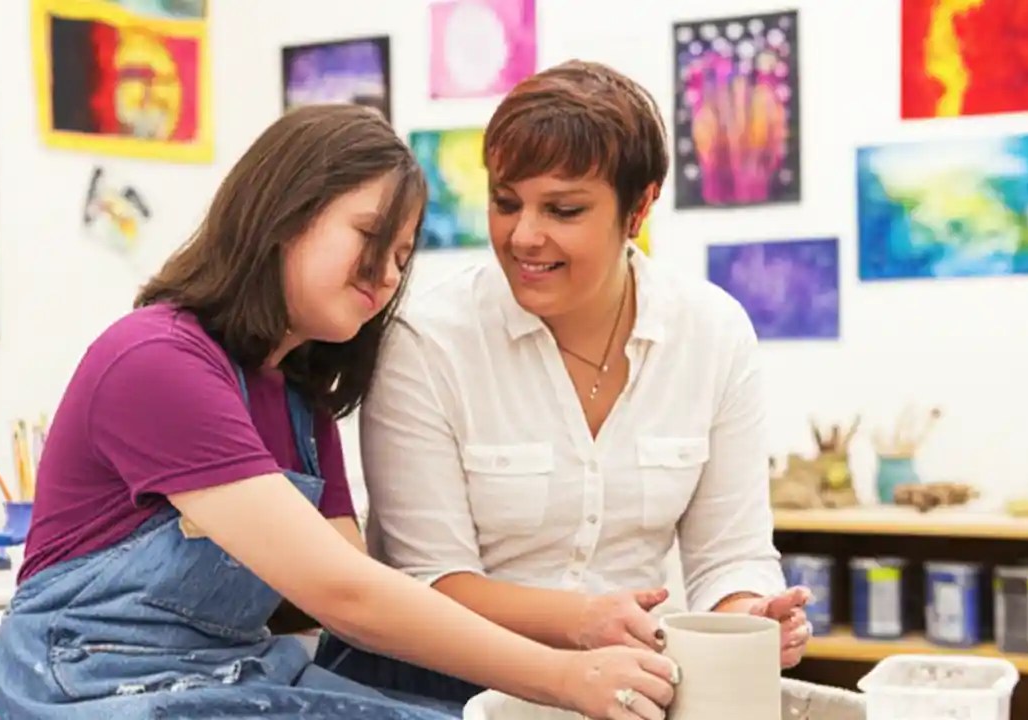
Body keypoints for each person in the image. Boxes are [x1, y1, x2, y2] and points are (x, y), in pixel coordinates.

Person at [0, 104, 680, 720]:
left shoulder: (297, 393)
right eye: (370, 238)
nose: (387, 274)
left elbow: (369, 597)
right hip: (89, 684)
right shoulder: (155, 360)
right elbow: (344, 594)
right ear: (283, 215)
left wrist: (575, 635)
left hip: (224, 675)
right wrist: (564, 676)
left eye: (403, 256)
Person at [314, 61, 813, 707]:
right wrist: (577, 621)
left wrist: (749, 613)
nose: (524, 235)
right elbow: (428, 579)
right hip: (435, 689)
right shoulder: (427, 339)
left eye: (564, 209)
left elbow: (729, 551)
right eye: (505, 202)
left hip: (624, 689)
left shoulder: (713, 333)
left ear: (640, 207)